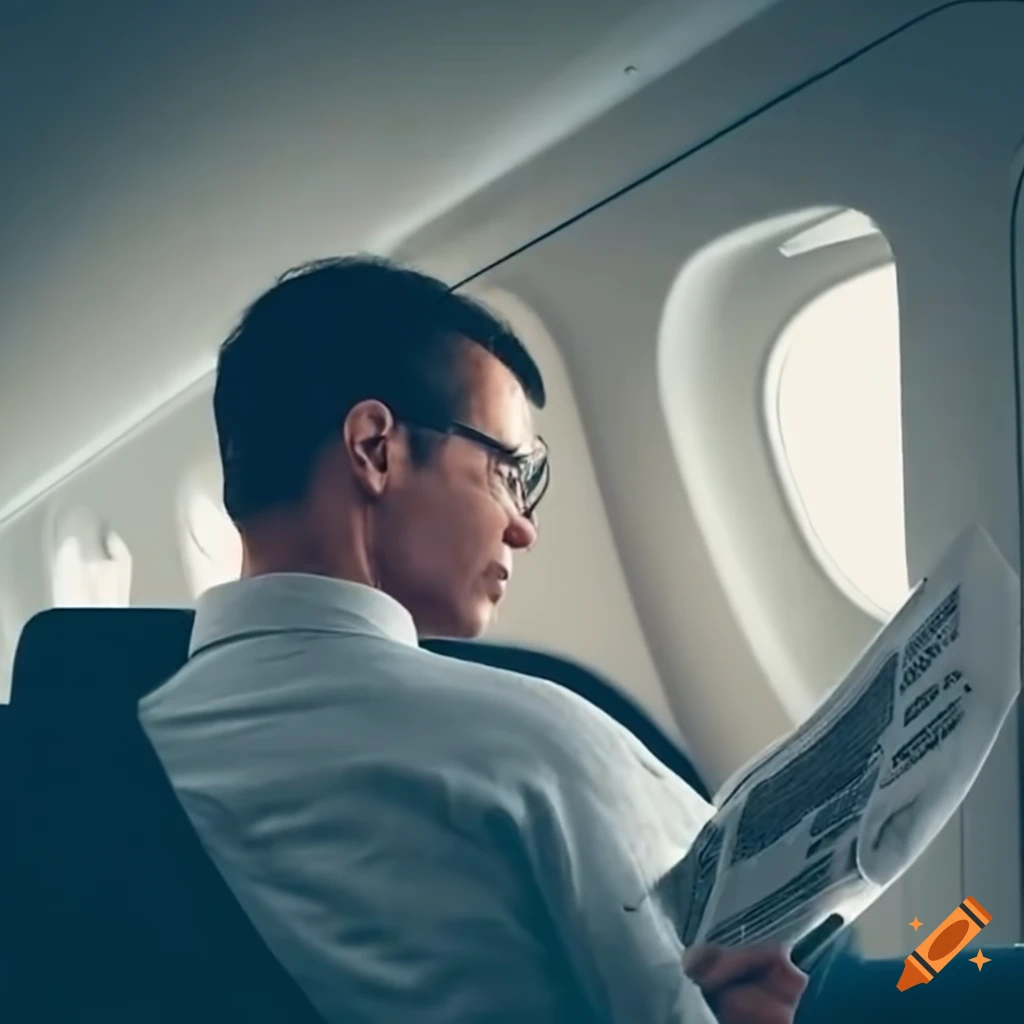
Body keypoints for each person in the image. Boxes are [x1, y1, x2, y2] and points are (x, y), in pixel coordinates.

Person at [138, 255, 808, 1023]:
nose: (523, 528)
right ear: (374, 449)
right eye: (508, 473)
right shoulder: (535, 743)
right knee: (930, 963)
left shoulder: (120, 749)